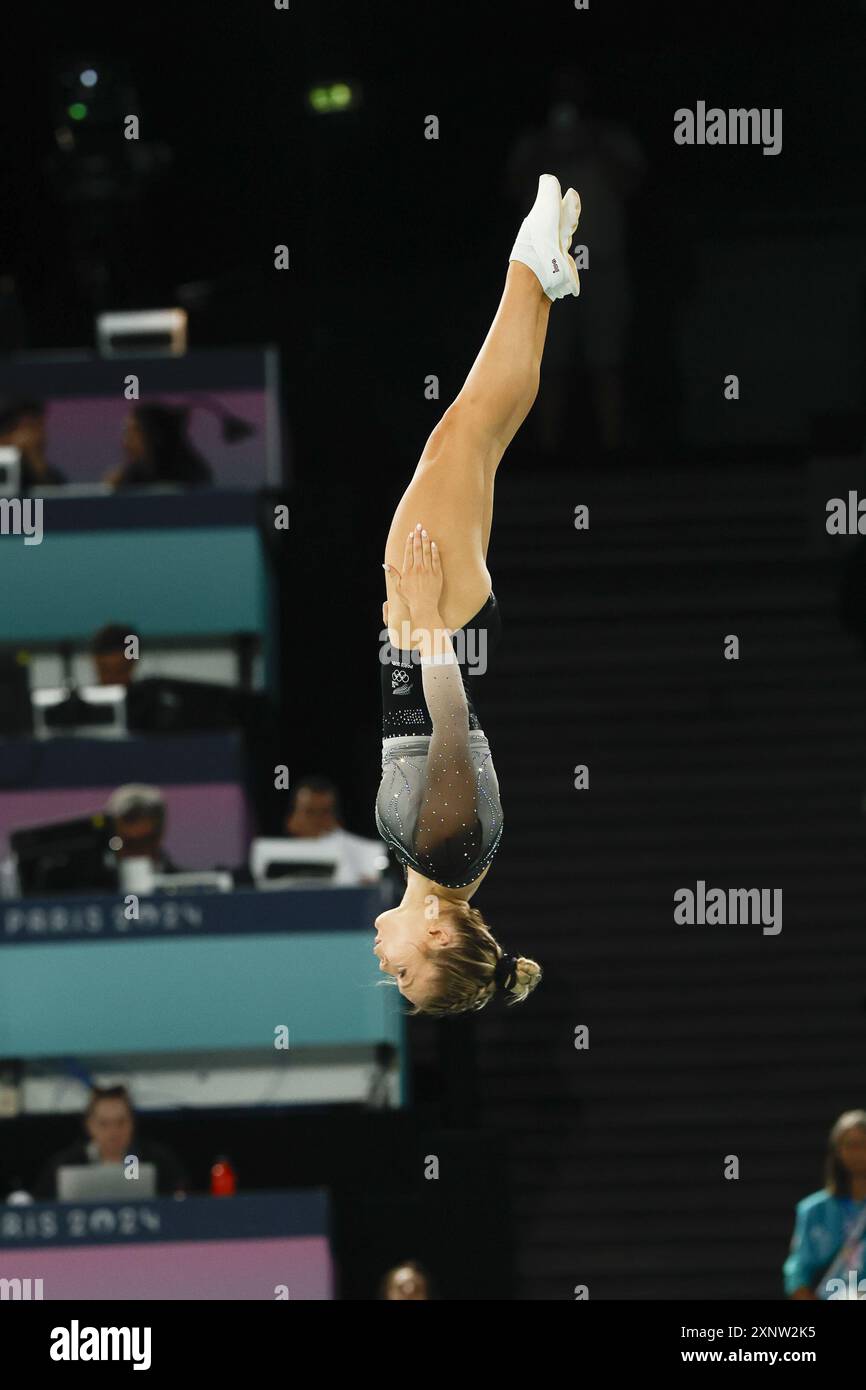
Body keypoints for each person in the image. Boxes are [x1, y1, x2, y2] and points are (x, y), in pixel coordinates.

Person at [372, 173, 577, 1016]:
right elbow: (450, 723)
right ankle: (529, 270)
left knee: (477, 436)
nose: (387, 968)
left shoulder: (442, 864)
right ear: (439, 940)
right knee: (463, 429)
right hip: (440, 617)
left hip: (444, 620)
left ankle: (545, 282)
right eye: (408, 977)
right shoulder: (449, 855)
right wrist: (423, 621)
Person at [34, 1084, 188, 1199]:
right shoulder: (65, 1164)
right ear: (89, 1125)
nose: (113, 1132)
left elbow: (179, 1199)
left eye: (121, 1122)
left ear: (132, 1123)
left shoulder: (158, 1161)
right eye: (104, 1124)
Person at [783, 1109, 866, 1299]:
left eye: (864, 1145)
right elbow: (798, 1267)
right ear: (837, 1151)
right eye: (851, 1145)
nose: (859, 1153)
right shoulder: (813, 1209)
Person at [285, 775, 386, 886]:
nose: (316, 821)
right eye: (309, 812)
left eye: (324, 813)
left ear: (336, 819)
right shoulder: (272, 853)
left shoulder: (367, 855)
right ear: (291, 819)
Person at [106, 403, 212, 489]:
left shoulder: (193, 477)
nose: (126, 442)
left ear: (155, 435)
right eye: (126, 432)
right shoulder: (128, 477)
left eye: (134, 431)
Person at [106, 784, 179, 871]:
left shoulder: (186, 882)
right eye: (129, 843)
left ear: (159, 835)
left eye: (144, 842)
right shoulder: (93, 883)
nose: (137, 854)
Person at [0, 396, 65, 490]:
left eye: (40, 427)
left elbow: (58, 501)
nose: (38, 436)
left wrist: (36, 465)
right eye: (29, 427)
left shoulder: (49, 475)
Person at [90, 622, 138, 687]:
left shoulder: (147, 696)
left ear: (132, 665)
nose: (111, 679)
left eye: (119, 672)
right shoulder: (85, 696)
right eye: (106, 671)